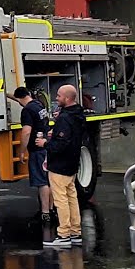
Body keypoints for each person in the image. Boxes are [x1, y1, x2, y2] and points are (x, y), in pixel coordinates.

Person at [44, 85, 86, 248]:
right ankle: (76, 232)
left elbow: (60, 144)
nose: (56, 98)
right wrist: (55, 132)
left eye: (59, 95)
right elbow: (71, 136)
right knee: (72, 198)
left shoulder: (64, 118)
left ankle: (63, 235)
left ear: (67, 99)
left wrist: (46, 143)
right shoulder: (78, 114)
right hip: (72, 162)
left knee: (61, 200)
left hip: (59, 165)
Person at [11, 87, 53, 224]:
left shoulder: (27, 111)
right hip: (46, 146)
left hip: (37, 150)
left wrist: (22, 151)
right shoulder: (38, 105)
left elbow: (26, 132)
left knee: (42, 182)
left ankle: (45, 214)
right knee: (48, 180)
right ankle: (51, 210)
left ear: (19, 99)